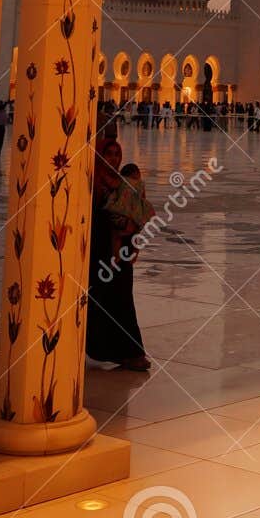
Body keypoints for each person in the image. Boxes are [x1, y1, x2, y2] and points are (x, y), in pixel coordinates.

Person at [86, 139, 149, 372]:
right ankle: (108, 350)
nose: (113, 158)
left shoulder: (123, 183)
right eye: (109, 154)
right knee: (101, 302)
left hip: (120, 252)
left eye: (116, 154)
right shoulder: (94, 182)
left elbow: (135, 211)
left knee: (123, 301)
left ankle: (133, 353)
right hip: (99, 251)